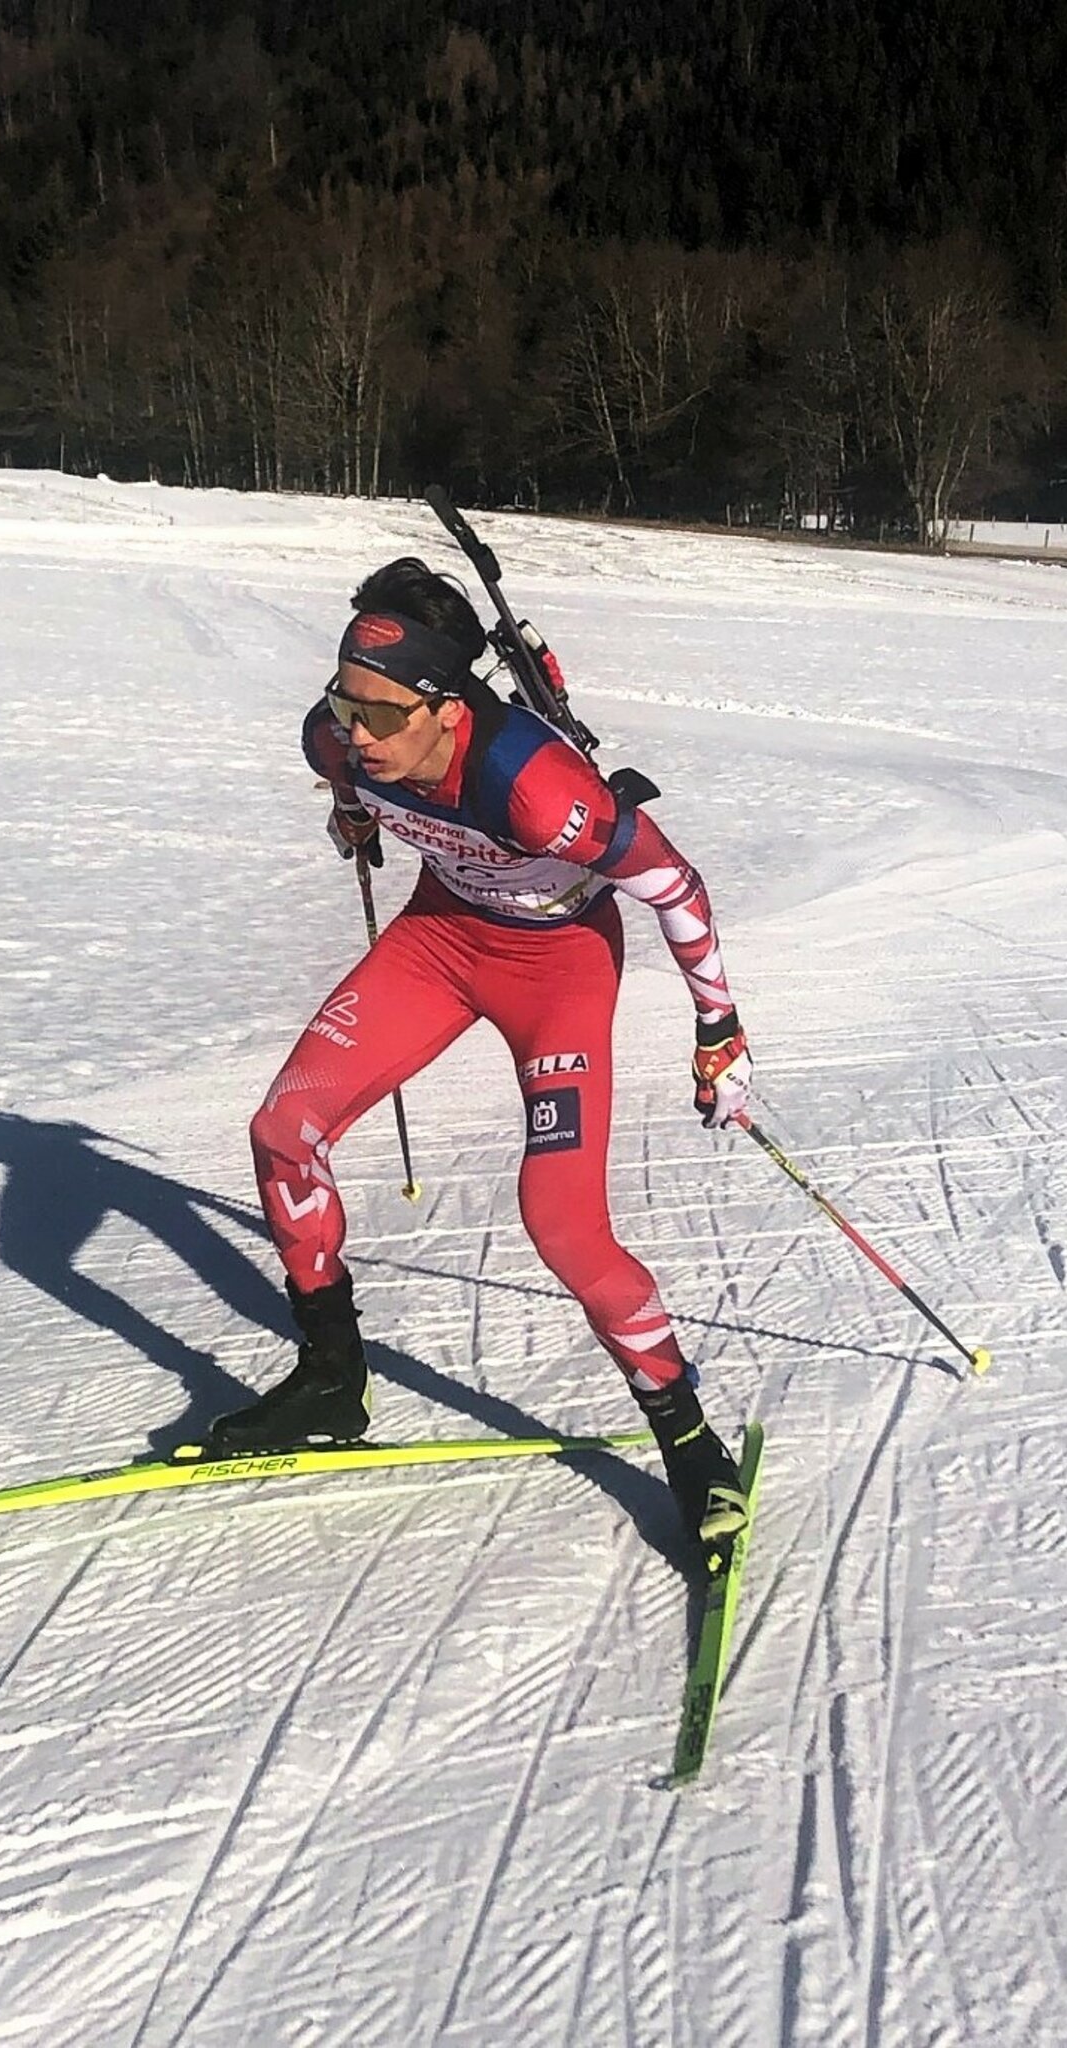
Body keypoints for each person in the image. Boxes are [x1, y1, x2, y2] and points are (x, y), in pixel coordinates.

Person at [213, 556, 755, 1561]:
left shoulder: (536, 790)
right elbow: (345, 774)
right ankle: (331, 1380)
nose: (354, 730)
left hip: (559, 970)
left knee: (562, 1220)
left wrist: (718, 1030)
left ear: (447, 707)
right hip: (438, 942)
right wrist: (354, 810)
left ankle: (688, 1441)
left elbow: (676, 886)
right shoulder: (337, 738)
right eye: (343, 702)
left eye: (380, 714)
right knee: (284, 1130)